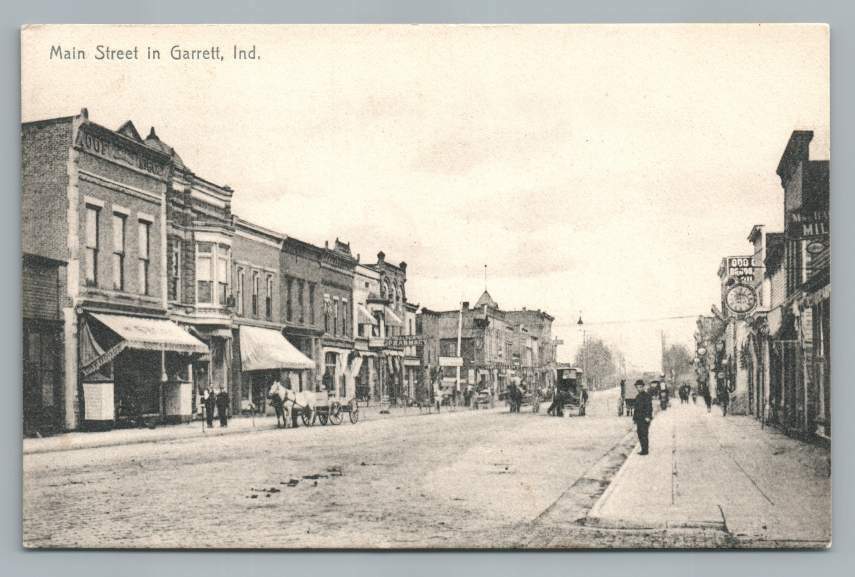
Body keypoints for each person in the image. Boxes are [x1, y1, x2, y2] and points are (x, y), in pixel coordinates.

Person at [633, 379, 653, 455]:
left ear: (643, 387)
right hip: (639, 419)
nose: (639, 388)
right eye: (637, 387)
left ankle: (645, 450)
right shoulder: (637, 396)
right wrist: (634, 419)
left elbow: (649, 407)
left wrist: (648, 416)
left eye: (640, 387)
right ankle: (643, 449)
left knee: (644, 434)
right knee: (639, 434)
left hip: (645, 418)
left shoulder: (647, 396)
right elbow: (636, 409)